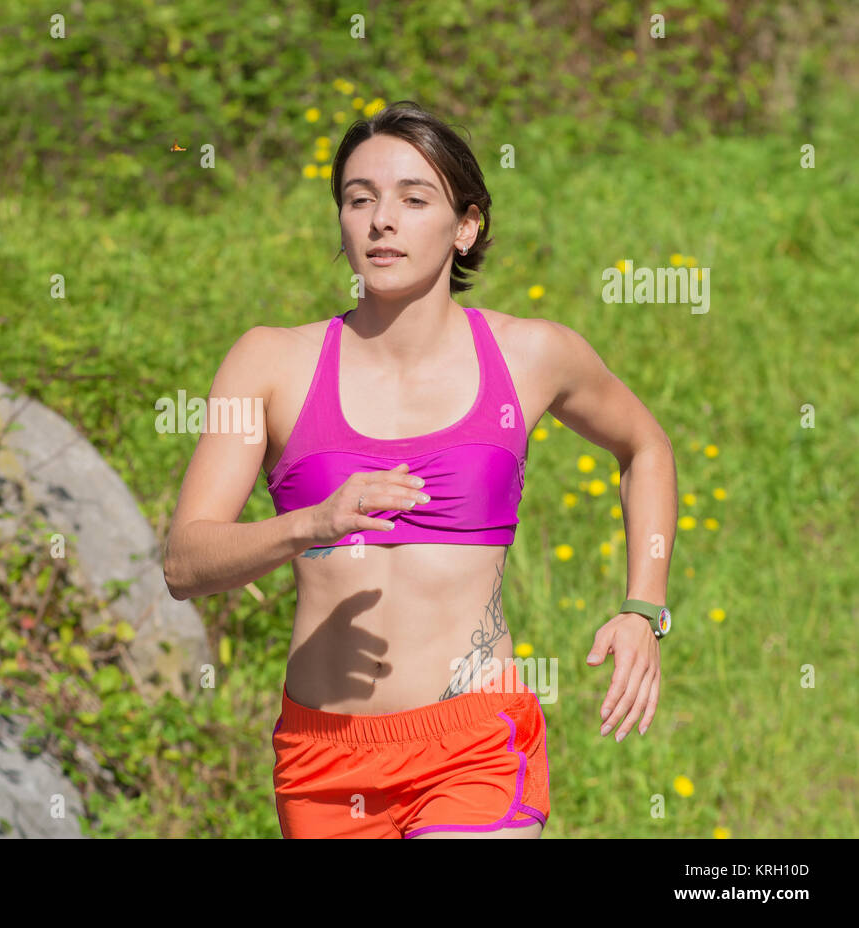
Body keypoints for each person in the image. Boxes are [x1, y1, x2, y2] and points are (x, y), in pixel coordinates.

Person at [162, 102, 677, 838]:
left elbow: (646, 447)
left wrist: (643, 609)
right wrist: (312, 522)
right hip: (324, 759)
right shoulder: (268, 364)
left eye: (413, 198)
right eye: (359, 198)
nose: (381, 221)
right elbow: (185, 561)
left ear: (465, 225)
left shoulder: (530, 355)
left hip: (474, 741)